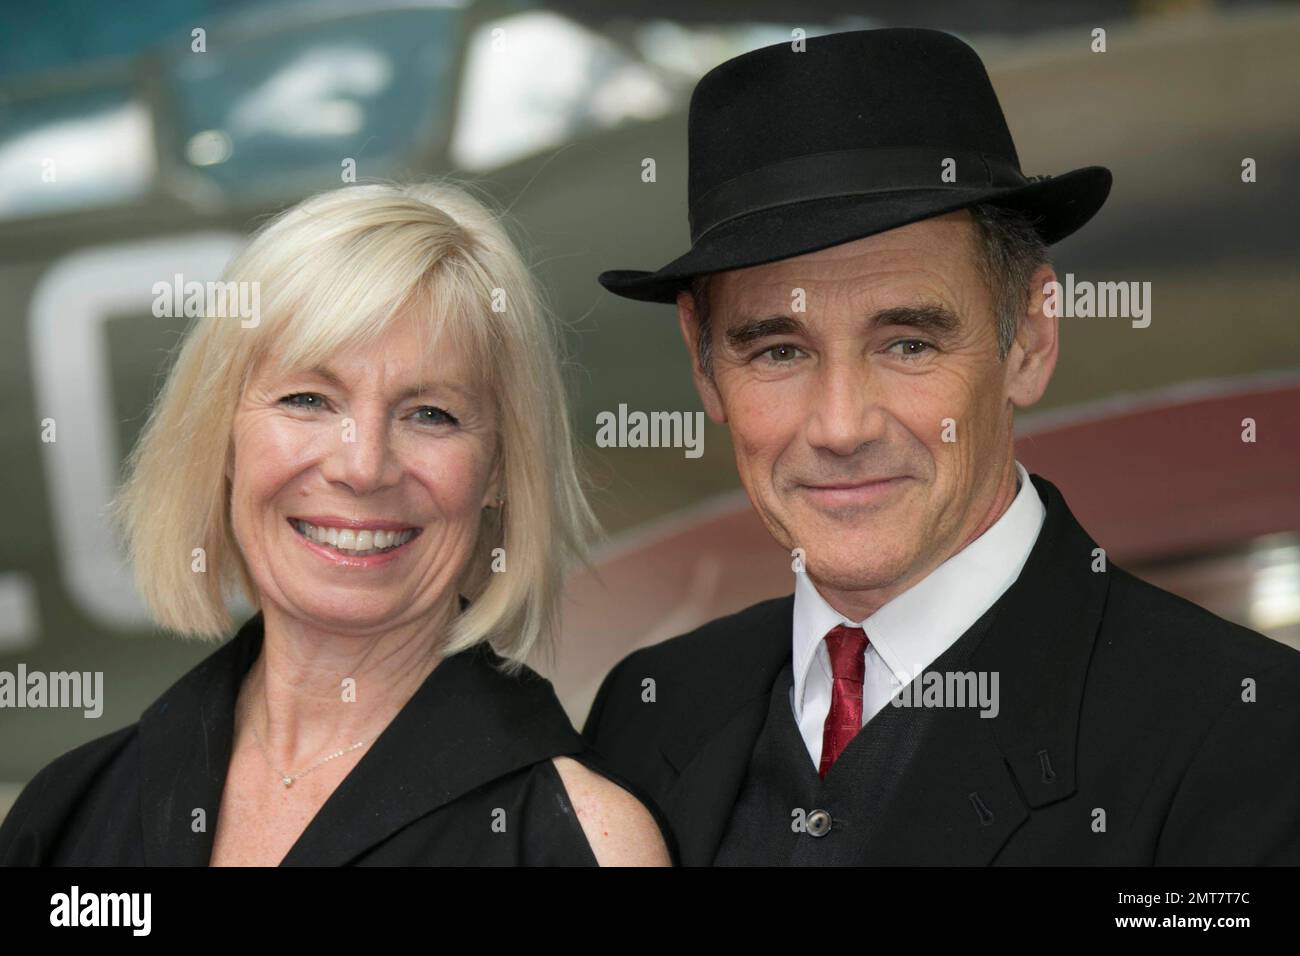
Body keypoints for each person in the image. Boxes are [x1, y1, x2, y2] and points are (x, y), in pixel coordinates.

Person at [582, 27, 1300, 865]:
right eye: (779, 351)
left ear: (1030, 337)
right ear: (702, 367)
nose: (842, 426)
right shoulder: (648, 710)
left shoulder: (1247, 739)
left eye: (908, 343)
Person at [0, 182, 671, 866]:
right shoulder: (66, 815)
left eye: (430, 413)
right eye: (308, 399)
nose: (363, 465)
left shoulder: (583, 842)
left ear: (499, 470)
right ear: (223, 438)